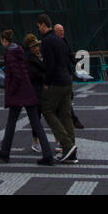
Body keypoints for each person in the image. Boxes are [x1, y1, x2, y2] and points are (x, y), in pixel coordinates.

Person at [0, 30, 54, 166]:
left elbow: (16, 74)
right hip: (28, 90)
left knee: (12, 122)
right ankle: (47, 153)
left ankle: (5, 152)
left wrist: (11, 90)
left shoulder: (10, 53)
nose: (2, 44)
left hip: (19, 93)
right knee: (35, 123)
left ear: (4, 41)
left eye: (2, 41)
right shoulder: (20, 51)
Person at [36, 14, 77, 162]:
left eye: (39, 26)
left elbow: (49, 65)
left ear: (42, 25)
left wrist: (47, 82)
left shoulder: (47, 41)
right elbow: (68, 59)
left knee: (48, 110)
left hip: (57, 82)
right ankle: (71, 151)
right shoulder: (60, 40)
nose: (39, 29)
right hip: (67, 80)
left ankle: (66, 143)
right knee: (66, 115)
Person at [54, 23, 85, 129]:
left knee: (66, 98)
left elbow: (70, 54)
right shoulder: (54, 43)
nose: (63, 32)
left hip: (66, 74)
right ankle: (73, 119)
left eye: (63, 30)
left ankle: (67, 118)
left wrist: (77, 65)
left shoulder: (64, 41)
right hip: (59, 76)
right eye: (60, 31)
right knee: (65, 98)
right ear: (55, 32)